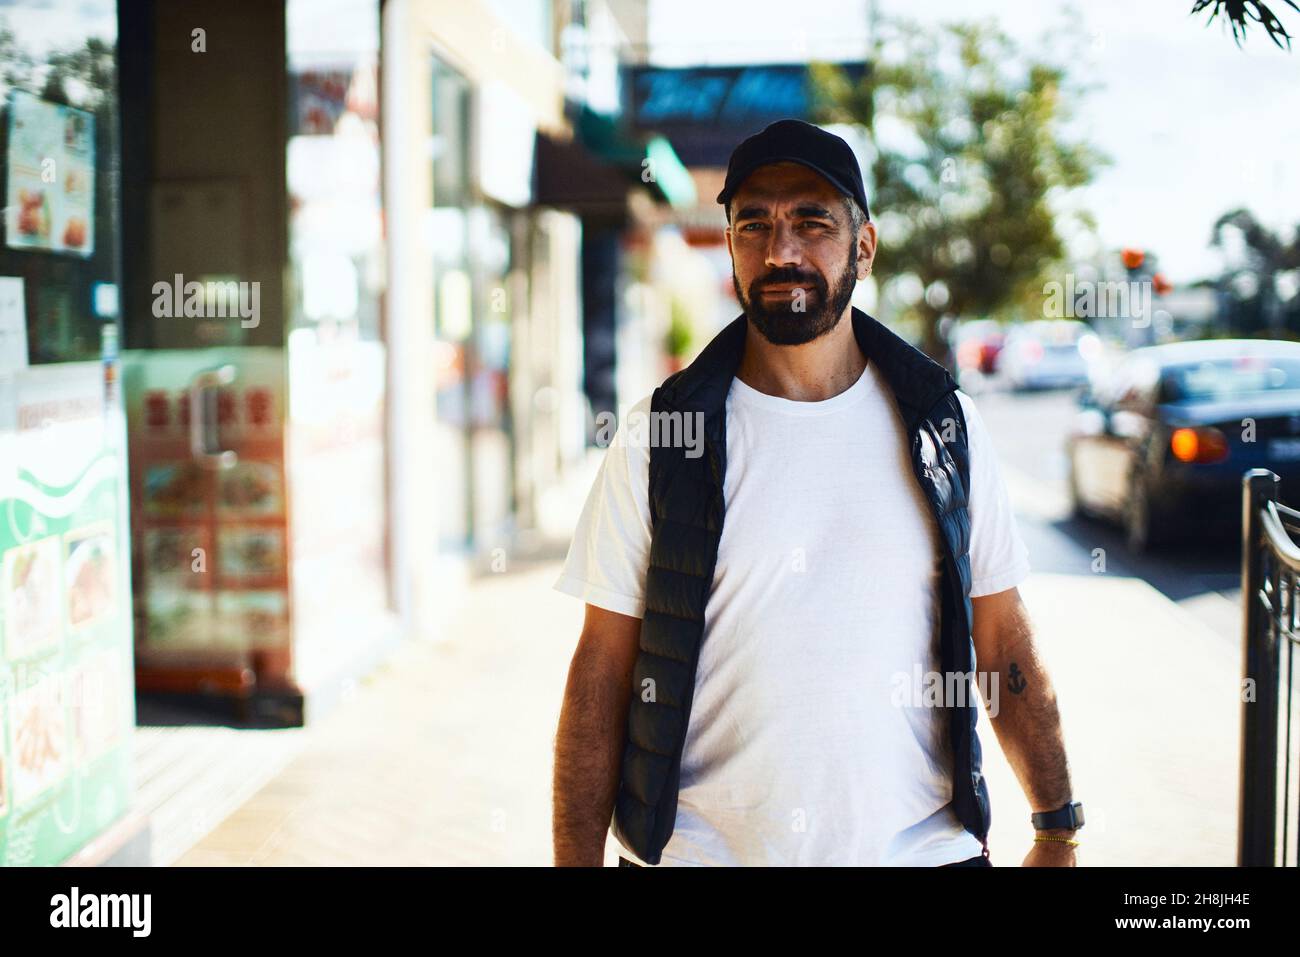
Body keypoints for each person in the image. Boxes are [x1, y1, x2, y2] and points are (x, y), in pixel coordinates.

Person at [551, 119, 1082, 867]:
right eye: (754, 224)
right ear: (730, 244)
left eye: (812, 222)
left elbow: (1003, 638)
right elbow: (602, 669)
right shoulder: (662, 437)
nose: (781, 252)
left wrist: (1057, 824)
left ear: (864, 247)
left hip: (923, 854)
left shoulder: (943, 426)